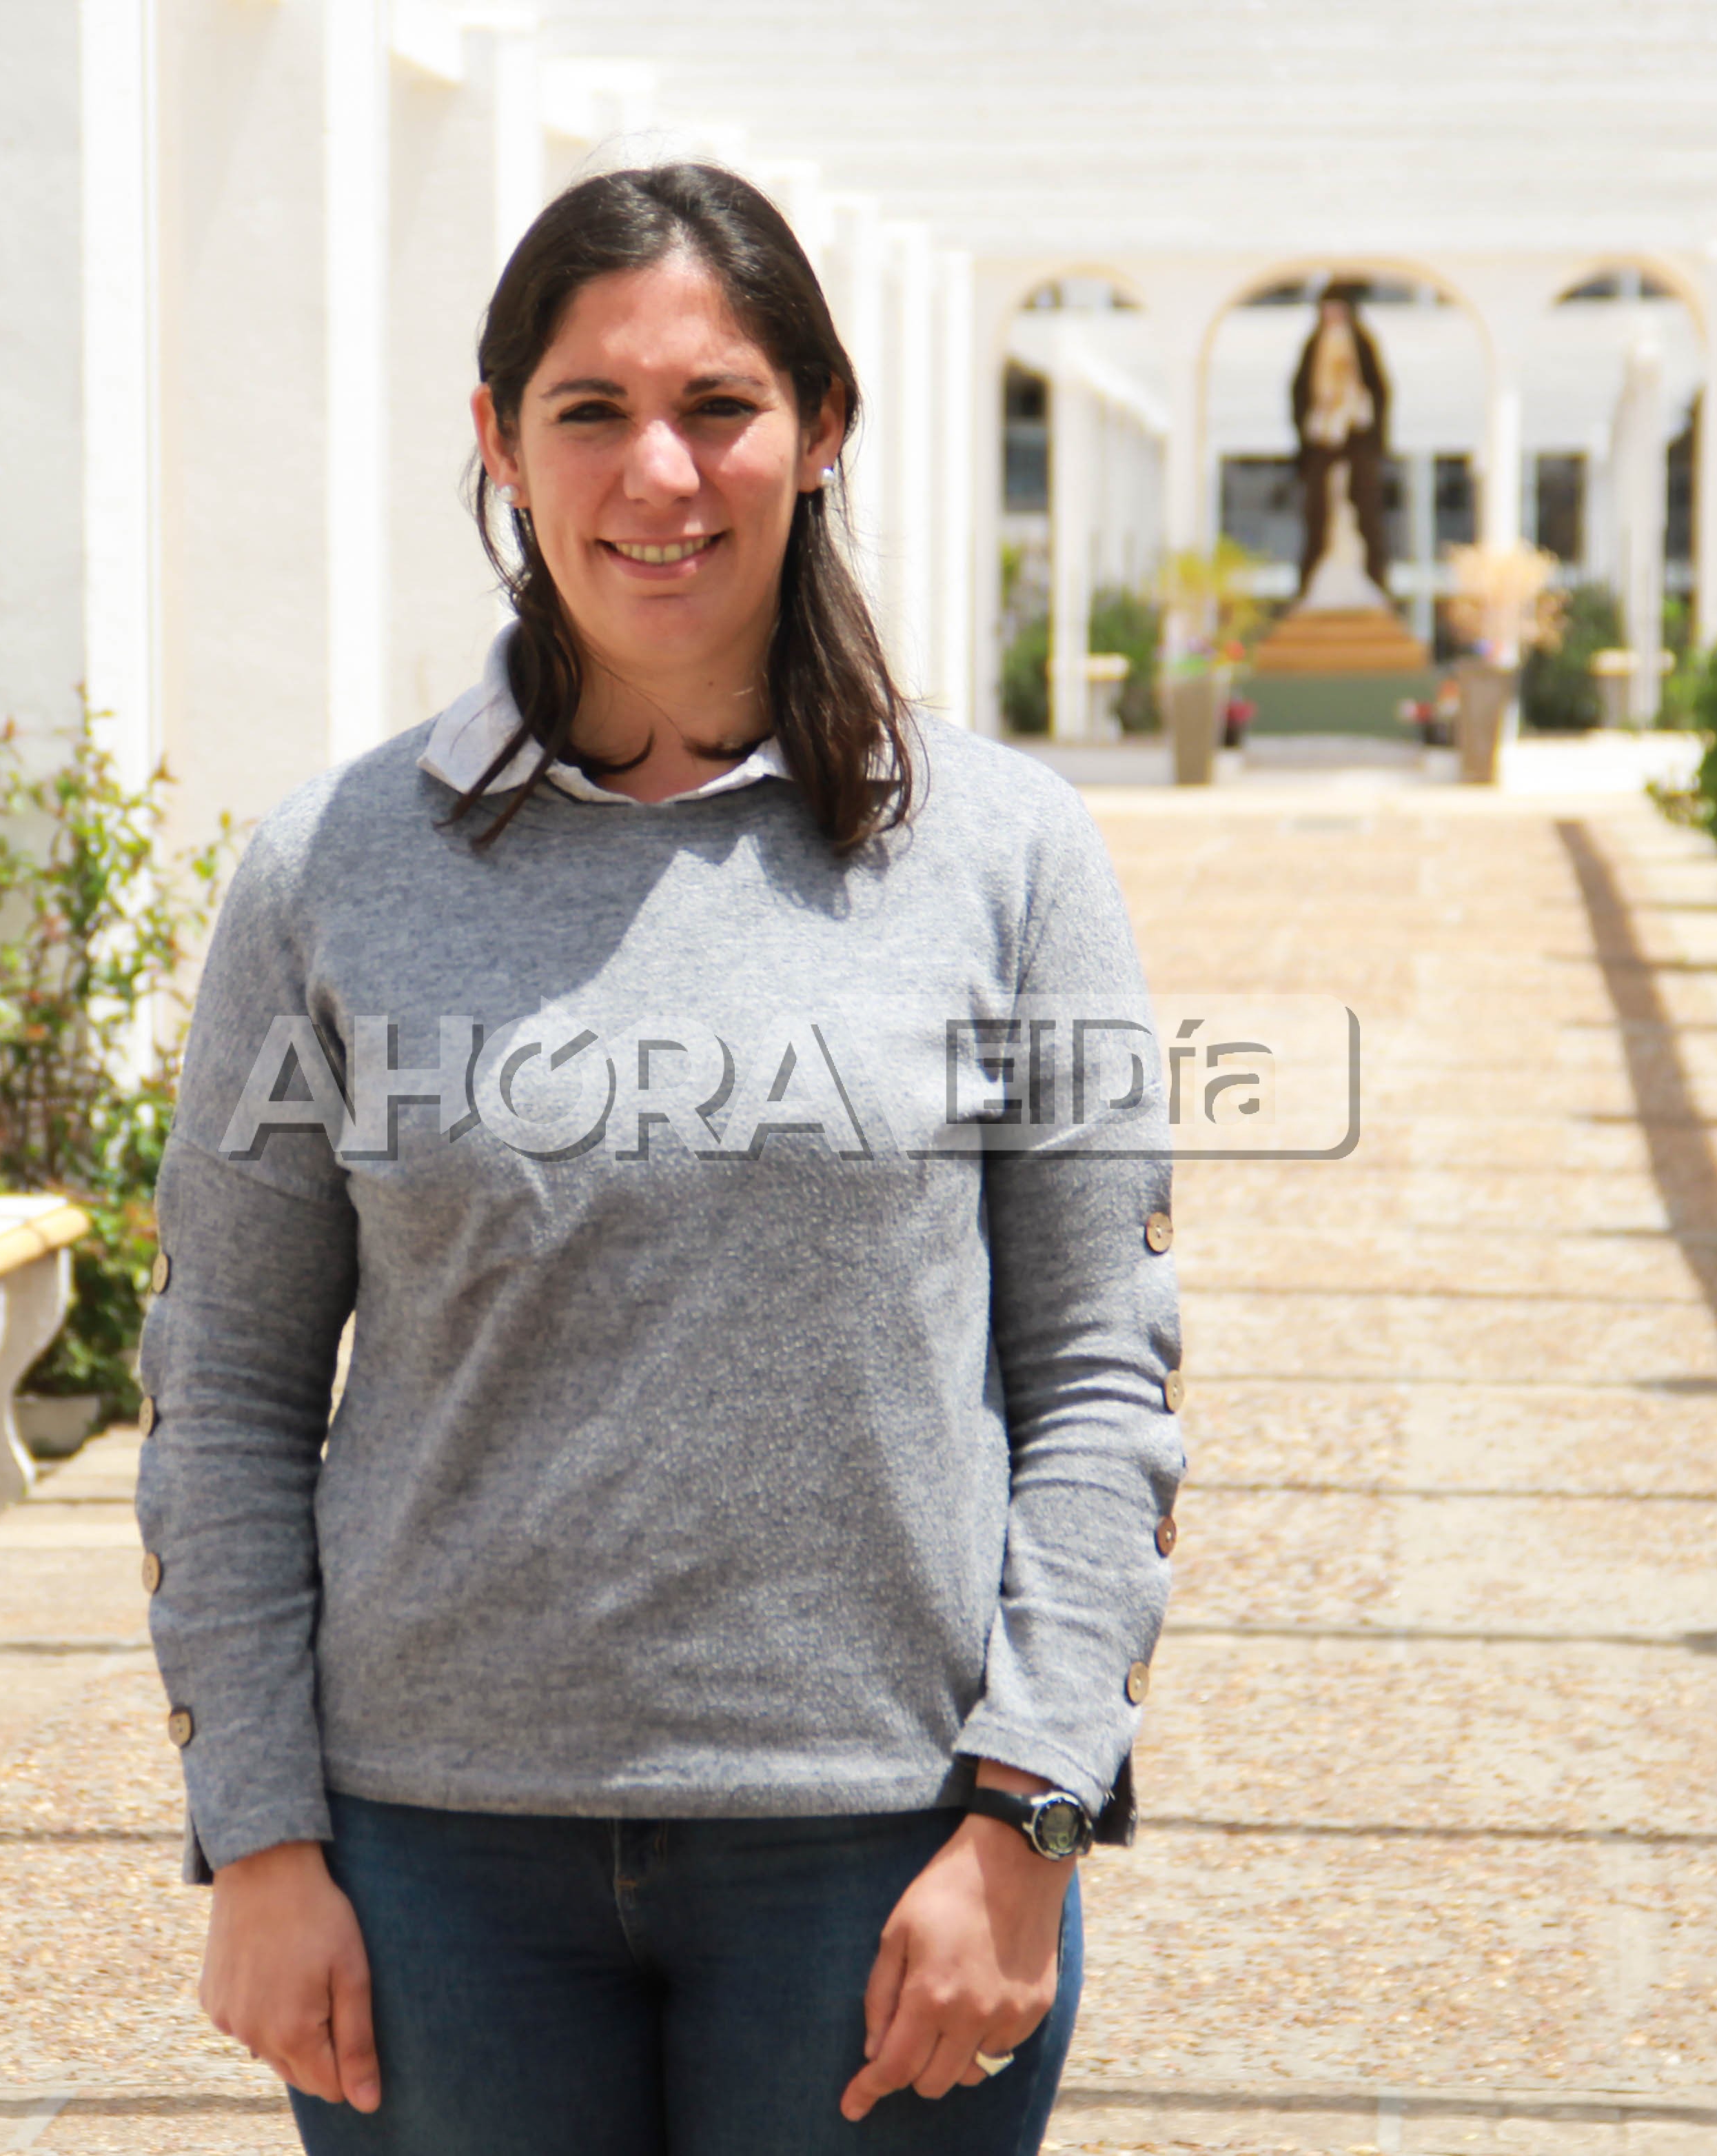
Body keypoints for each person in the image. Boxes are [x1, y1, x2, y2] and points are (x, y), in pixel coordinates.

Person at [135, 162, 1183, 2156]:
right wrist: (255, 1831)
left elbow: (1097, 1380)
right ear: (497, 440)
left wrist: (1029, 1813)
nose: (660, 474)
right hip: (430, 1870)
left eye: (719, 406)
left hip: (883, 1845)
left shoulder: (1005, 855)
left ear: (823, 426)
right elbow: (230, 1388)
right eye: (590, 411)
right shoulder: (328, 870)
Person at [1290, 283, 1394, 609]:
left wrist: (1364, 423)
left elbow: (1379, 390)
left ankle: (1379, 585)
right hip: (1323, 440)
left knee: (1367, 515)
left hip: (1357, 438)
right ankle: (1306, 588)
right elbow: (1300, 393)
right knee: (1318, 515)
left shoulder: (1363, 344)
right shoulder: (1313, 346)